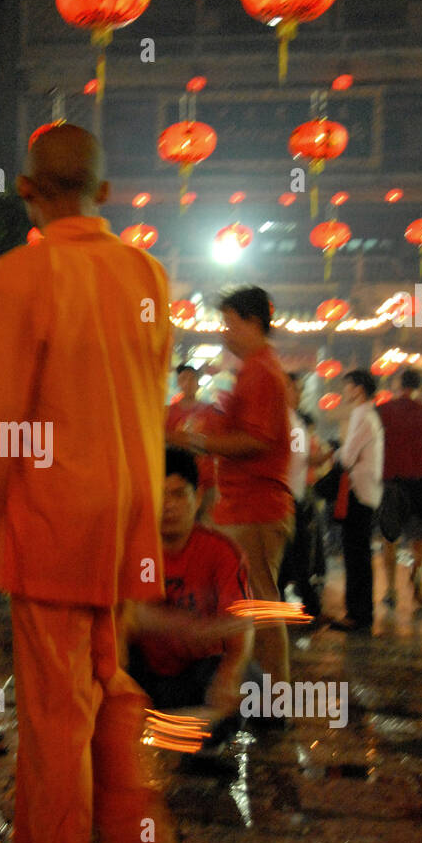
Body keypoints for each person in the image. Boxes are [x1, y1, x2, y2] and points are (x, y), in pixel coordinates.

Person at [0, 123, 174, 843]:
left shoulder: (23, 274)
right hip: (128, 518)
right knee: (109, 680)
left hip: (54, 521)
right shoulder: (147, 273)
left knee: (56, 715)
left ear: (30, 192)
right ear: (105, 193)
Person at [171, 286, 293, 685]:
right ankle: (259, 691)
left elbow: (257, 440)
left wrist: (200, 441)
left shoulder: (262, 371)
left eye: (229, 323)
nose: (224, 333)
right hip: (245, 504)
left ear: (253, 322)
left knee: (260, 603)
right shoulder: (255, 369)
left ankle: (274, 697)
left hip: (256, 506)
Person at [125, 448, 255, 721]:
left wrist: (229, 674)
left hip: (198, 671)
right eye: (160, 494)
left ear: (197, 498)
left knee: (249, 682)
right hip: (145, 672)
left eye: (178, 494)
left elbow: (241, 624)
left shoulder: (221, 552)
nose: (168, 505)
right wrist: (188, 627)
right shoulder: (134, 549)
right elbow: (127, 616)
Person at [330, 369, 383, 633]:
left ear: (359, 388)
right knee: (358, 555)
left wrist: (335, 453)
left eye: (348, 385)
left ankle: (358, 614)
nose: (345, 390)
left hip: (358, 494)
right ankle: (360, 613)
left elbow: (348, 458)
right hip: (365, 493)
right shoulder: (369, 416)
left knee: (356, 555)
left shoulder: (362, 416)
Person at [377, 368, 422, 611]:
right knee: (419, 537)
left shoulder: (384, 410)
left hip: (391, 481)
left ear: (397, 383)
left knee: (390, 538)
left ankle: (390, 589)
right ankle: (417, 577)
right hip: (419, 481)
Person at [278, 372, 330, 621]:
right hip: (282, 498)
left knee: (295, 553)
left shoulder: (295, 421)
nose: (297, 395)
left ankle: (306, 603)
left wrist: (324, 457)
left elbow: (301, 457)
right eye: (293, 389)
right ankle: (308, 604)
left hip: (295, 497)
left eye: (299, 390)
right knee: (291, 554)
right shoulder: (278, 420)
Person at [165, 363, 218, 520]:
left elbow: (217, 442)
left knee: (206, 523)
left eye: (192, 379)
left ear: (198, 382)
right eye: (183, 379)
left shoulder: (210, 412)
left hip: (207, 481)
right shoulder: (168, 413)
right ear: (179, 383)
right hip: (180, 480)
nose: (188, 383)